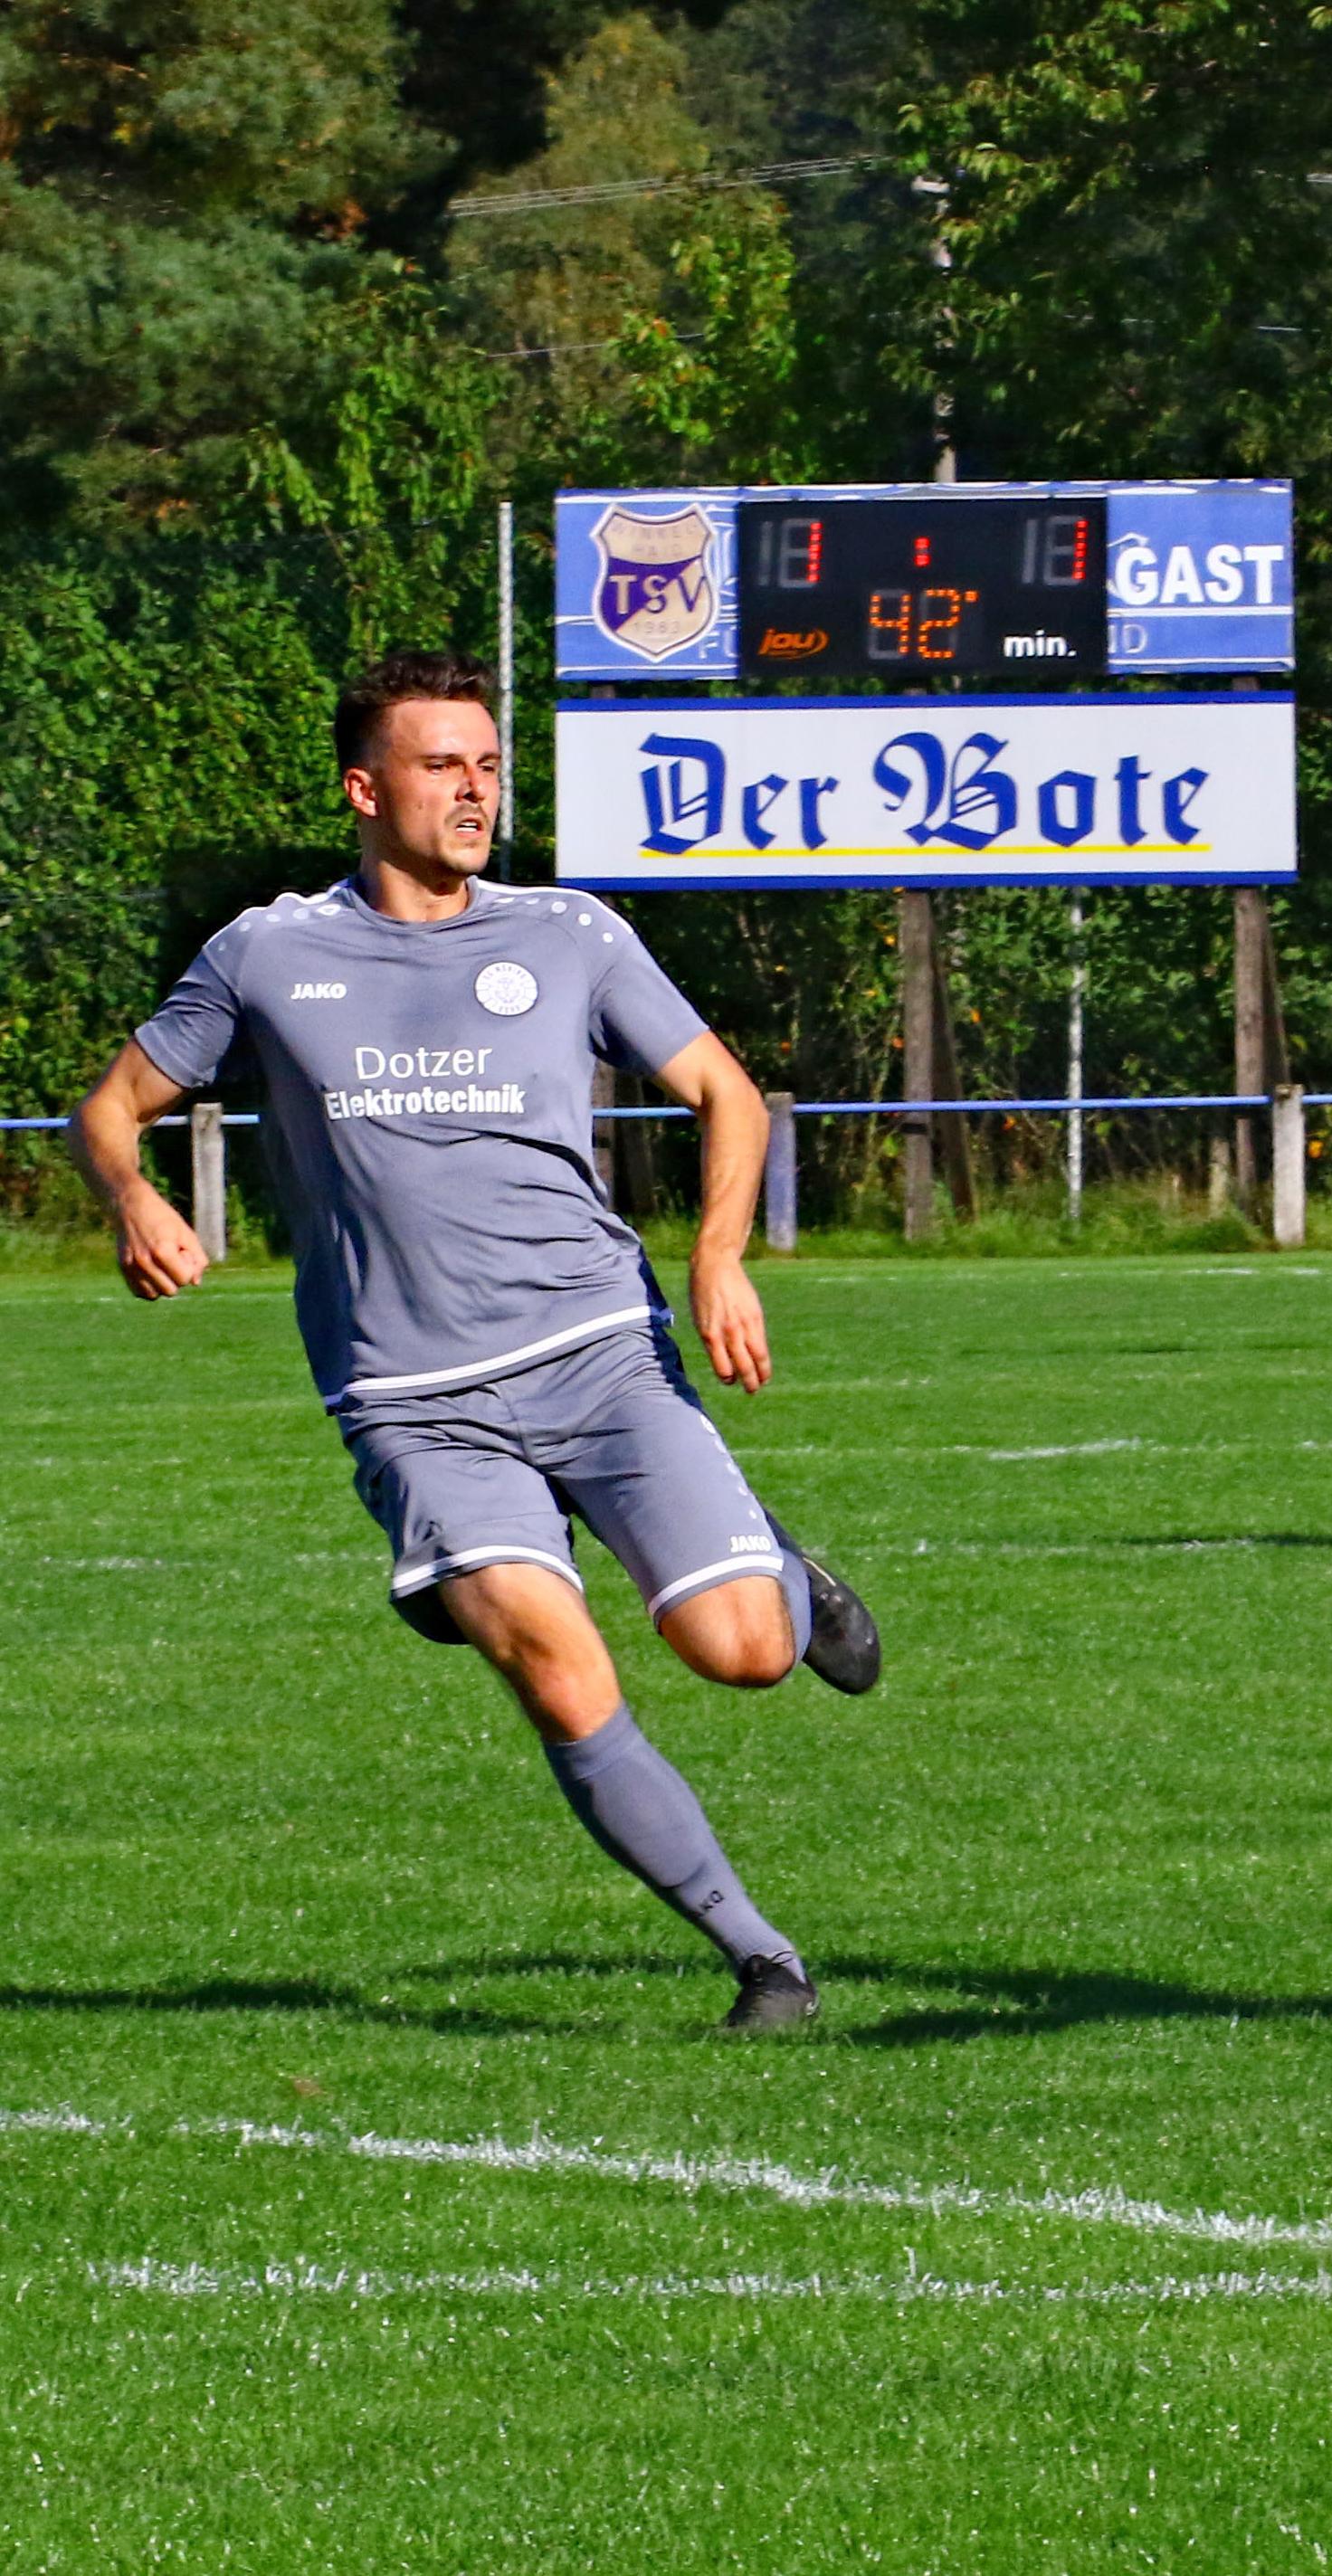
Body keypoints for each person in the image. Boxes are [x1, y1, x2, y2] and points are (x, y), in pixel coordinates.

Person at [69, 650, 880, 2035]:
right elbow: (111, 1106)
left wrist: (718, 1253)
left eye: (490, 764)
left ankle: (782, 1577)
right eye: (444, 763)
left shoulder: (571, 934)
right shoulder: (266, 951)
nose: (476, 789)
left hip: (602, 1353)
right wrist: (136, 1195)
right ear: (363, 786)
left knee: (739, 1649)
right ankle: (765, 1960)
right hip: (413, 1399)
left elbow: (724, 1094)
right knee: (561, 1668)